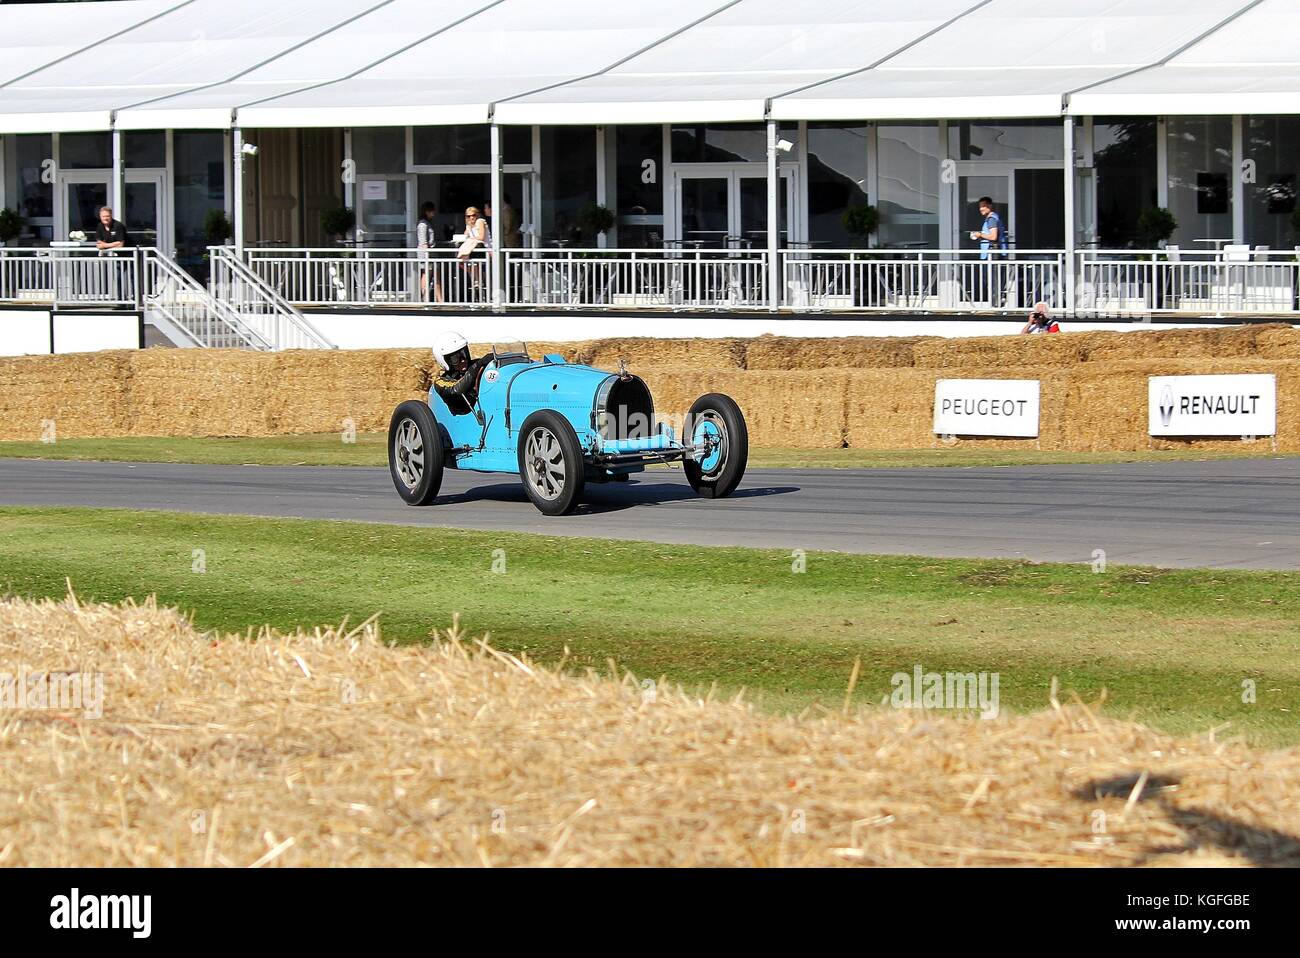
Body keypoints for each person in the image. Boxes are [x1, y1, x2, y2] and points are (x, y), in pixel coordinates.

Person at [431, 330, 491, 415]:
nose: (463, 359)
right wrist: (477, 366)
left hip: (488, 409)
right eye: (455, 358)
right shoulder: (440, 381)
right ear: (445, 361)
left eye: (464, 353)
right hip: (466, 419)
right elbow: (456, 389)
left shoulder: (475, 365)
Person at [968, 196, 1007, 307]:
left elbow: (993, 236)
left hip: (993, 255)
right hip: (991, 255)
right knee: (992, 280)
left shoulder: (991, 219)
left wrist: (979, 234)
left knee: (993, 280)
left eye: (984, 206)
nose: (981, 209)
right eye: (980, 206)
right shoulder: (992, 218)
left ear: (990, 206)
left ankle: (996, 305)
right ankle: (996, 303)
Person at [416, 201, 444, 303]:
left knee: (435, 276)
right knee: (426, 275)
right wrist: (427, 251)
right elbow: (423, 241)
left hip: (431, 254)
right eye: (432, 211)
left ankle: (439, 300)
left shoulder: (427, 223)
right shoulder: (422, 224)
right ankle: (424, 298)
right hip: (426, 254)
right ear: (427, 211)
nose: (434, 213)